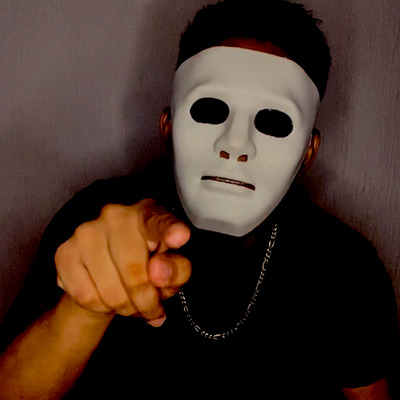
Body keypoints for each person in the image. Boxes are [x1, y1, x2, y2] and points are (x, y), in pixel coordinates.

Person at [0, 0, 398, 398]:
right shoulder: (97, 219)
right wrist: (85, 307)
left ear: (308, 152)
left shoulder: (345, 269)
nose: (235, 146)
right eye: (210, 110)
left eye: (273, 121)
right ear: (168, 126)